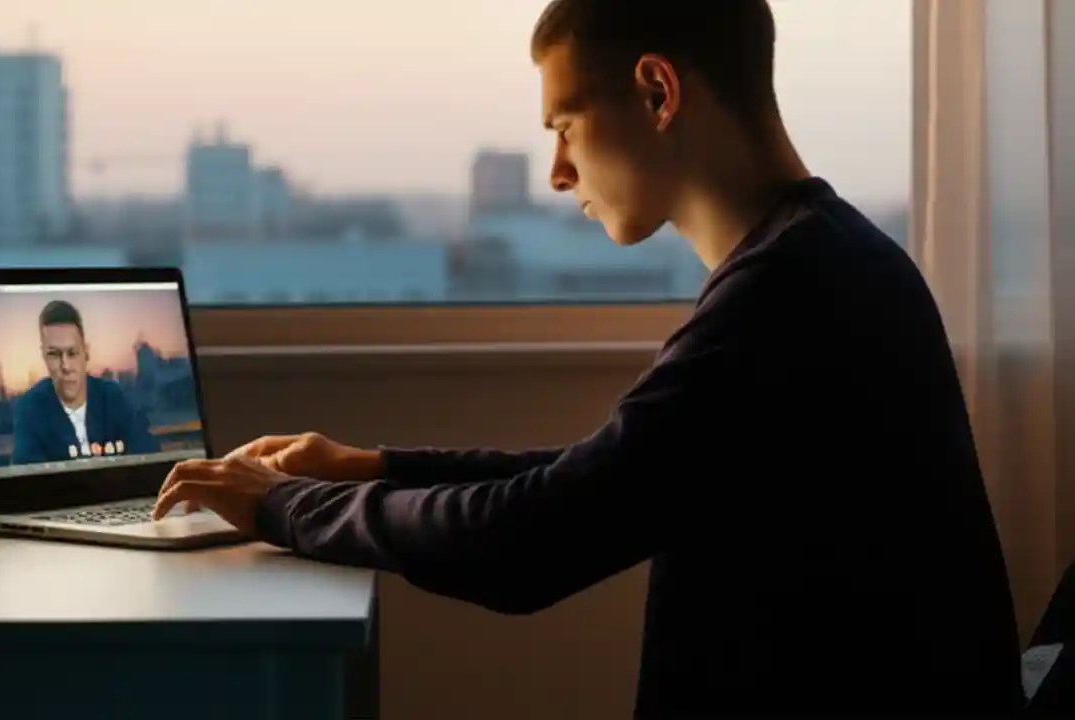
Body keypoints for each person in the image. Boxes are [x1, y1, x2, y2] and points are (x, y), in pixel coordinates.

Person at [153, 0, 1024, 714]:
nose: (558, 173)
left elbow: (531, 541)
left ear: (657, 92)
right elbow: (607, 478)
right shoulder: (820, 259)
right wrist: (371, 468)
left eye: (565, 125)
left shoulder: (788, 293)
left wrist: (284, 507)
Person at [12, 300, 160, 464]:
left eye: (73, 353)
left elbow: (149, 454)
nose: (66, 366)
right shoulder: (30, 409)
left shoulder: (113, 398)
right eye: (54, 354)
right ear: (44, 357)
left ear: (86, 353)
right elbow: (26, 472)